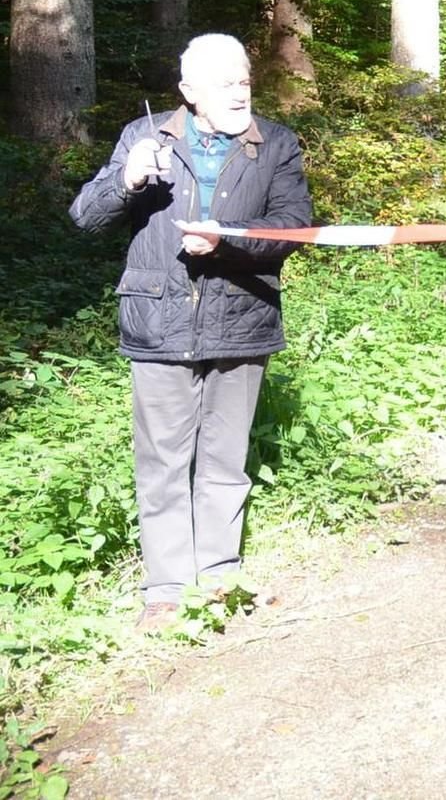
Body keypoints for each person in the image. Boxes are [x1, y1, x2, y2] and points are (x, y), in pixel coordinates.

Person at [69, 33, 314, 632]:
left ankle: (220, 575)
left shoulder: (275, 143)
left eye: (245, 79)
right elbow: (84, 219)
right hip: (159, 322)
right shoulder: (144, 136)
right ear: (189, 93)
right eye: (225, 82)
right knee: (162, 461)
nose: (239, 90)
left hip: (243, 320)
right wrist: (124, 181)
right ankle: (168, 588)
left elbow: (292, 229)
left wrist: (224, 239)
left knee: (226, 460)